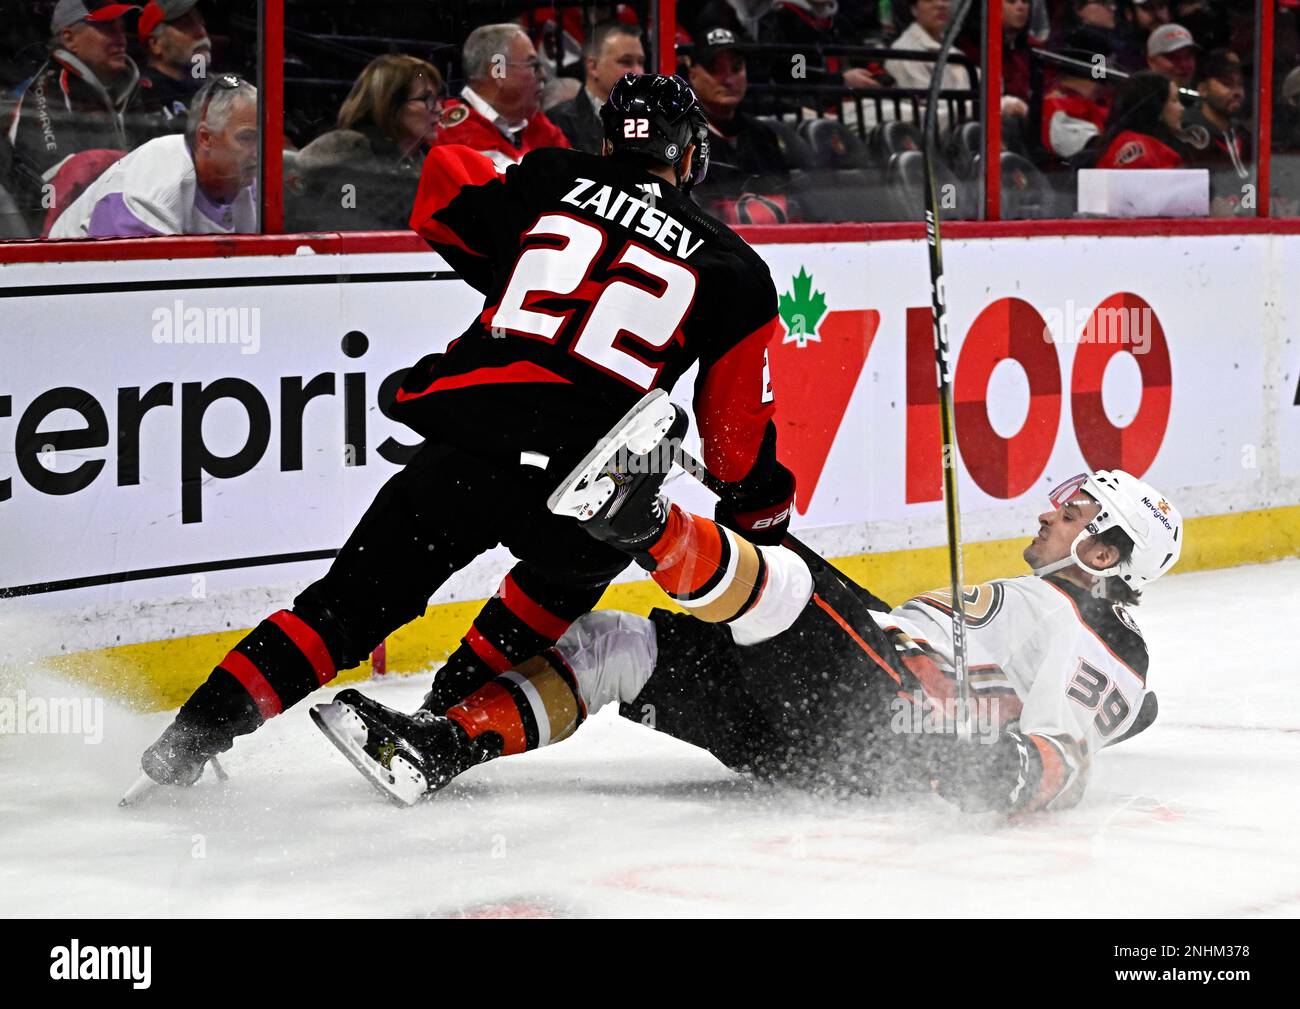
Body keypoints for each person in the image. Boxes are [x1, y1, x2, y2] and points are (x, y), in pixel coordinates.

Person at [131, 74, 796, 795]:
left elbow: (443, 197)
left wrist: (519, 268)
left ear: (606, 142)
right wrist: (761, 518)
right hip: (587, 487)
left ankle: (185, 743)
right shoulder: (734, 266)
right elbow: (735, 443)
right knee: (554, 583)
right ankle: (435, 727)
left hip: (471, 442)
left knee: (343, 609)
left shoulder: (552, 175)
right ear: (692, 155)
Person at [317, 400, 1182, 813]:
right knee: (618, 646)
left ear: (1104, 552)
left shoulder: (1102, 628)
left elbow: (1070, 740)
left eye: (1070, 514)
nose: (1045, 511)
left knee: (788, 579)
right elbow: (1117, 714)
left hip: (896, 718)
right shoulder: (1065, 620)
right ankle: (435, 748)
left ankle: (641, 515)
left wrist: (1024, 772)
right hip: (825, 736)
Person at [2, 0, 150, 234]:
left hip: (126, 220)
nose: (121, 39)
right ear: (69, 39)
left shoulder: (135, 87)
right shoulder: (46, 90)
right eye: (108, 28)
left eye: (122, 29)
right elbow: (62, 180)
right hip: (58, 235)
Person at [48, 72, 256, 237]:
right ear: (205, 138)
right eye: (247, 138)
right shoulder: (151, 192)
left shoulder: (245, 181)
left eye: (263, 139)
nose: (258, 152)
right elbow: (137, 286)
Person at [287, 55, 444, 231]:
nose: (439, 108)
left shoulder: (430, 163)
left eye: (438, 99)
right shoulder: (346, 151)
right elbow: (345, 225)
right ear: (390, 103)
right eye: (426, 99)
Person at [682, 27, 796, 217]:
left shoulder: (763, 135)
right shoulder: (679, 138)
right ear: (693, 75)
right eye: (715, 70)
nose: (728, 80)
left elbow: (791, 203)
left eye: (736, 68)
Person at [437, 22, 570, 170]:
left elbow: (577, 175)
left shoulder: (533, 120)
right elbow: (512, 188)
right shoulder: (457, 130)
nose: (543, 76)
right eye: (533, 66)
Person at [547, 22, 646, 153]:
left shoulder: (651, 120)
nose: (638, 72)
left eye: (640, 62)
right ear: (593, 67)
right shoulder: (558, 123)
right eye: (626, 62)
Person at [1181, 47, 1250, 213]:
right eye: (1227, 83)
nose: (1236, 92)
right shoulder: (1187, 134)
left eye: (1239, 84)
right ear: (1203, 89)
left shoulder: (1246, 136)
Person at [1040, 27, 1116, 160]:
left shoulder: (1100, 102)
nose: (1113, 71)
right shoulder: (1056, 106)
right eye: (1109, 65)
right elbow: (1097, 155)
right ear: (1098, 67)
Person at [135, 0, 212, 129]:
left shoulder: (218, 87)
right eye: (186, 25)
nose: (201, 32)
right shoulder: (140, 96)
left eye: (201, 22)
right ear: (155, 44)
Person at [1095, 69, 1187, 167]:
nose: (1182, 108)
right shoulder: (1138, 149)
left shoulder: (1149, 146)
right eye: (1174, 100)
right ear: (1156, 107)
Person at [884, 0, 975, 92]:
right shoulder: (904, 52)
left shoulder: (949, 47)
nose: (941, 5)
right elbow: (928, 103)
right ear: (913, 9)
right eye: (929, 0)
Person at [1145, 21, 1197, 88]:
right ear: (1151, 62)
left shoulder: (1203, 95)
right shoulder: (1137, 96)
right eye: (1172, 57)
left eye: (1188, 56)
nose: (1184, 64)